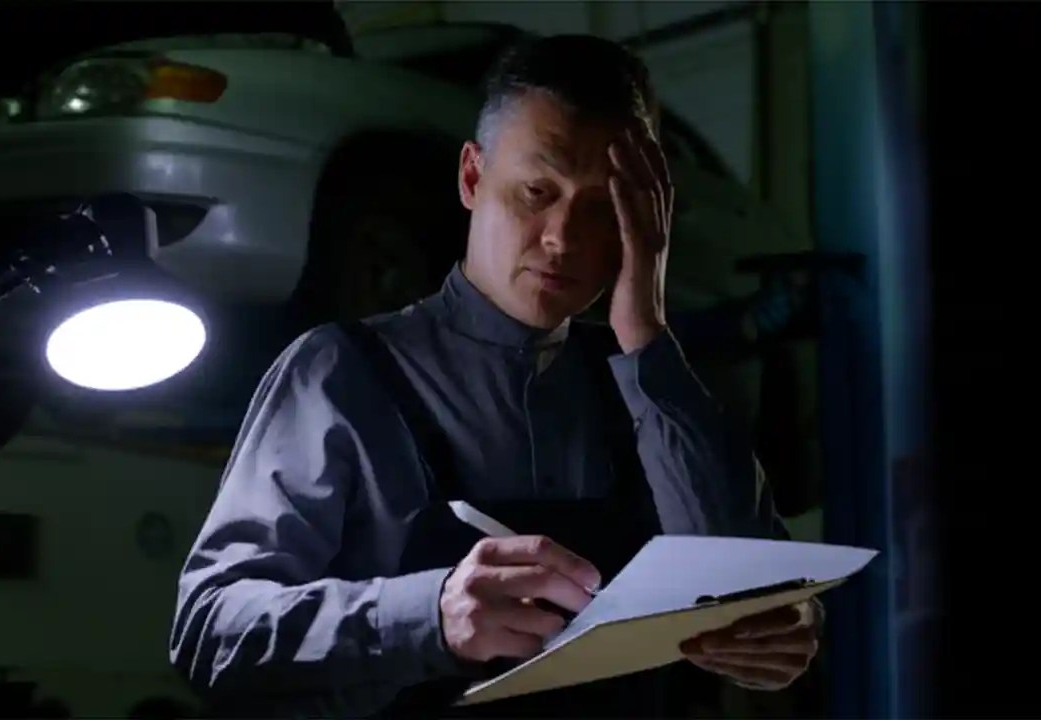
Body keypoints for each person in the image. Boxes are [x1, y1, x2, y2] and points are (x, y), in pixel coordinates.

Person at [169, 34, 822, 718]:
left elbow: (755, 588)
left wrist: (788, 628)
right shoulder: (339, 376)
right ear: (473, 178)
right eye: (538, 192)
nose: (563, 237)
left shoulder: (653, 389)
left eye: (603, 208)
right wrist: (431, 614)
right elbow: (212, 631)